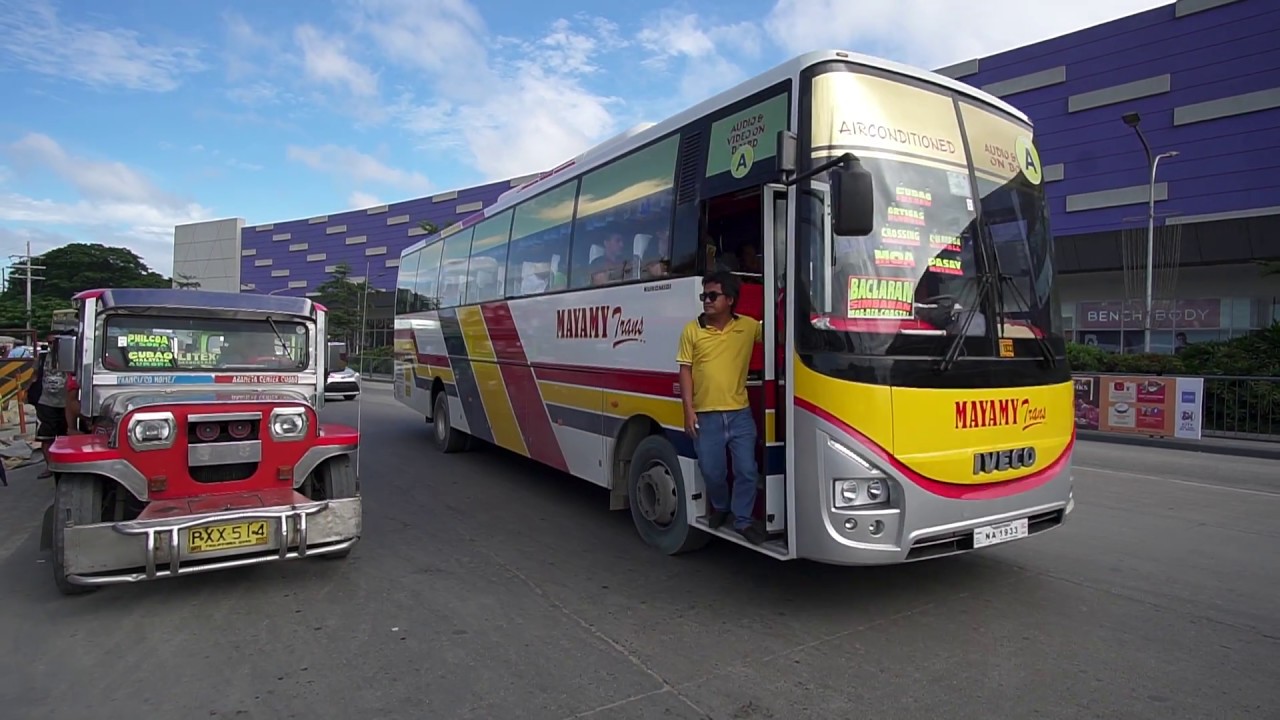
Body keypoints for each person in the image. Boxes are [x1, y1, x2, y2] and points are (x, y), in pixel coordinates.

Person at [676, 270, 766, 545]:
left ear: (730, 299)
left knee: (747, 471)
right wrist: (689, 411)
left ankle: (742, 520)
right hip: (707, 416)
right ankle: (721, 506)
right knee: (712, 471)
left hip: (740, 415)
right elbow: (685, 371)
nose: (706, 301)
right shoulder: (692, 330)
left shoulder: (749, 327)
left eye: (713, 296)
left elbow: (781, 333)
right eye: (704, 296)